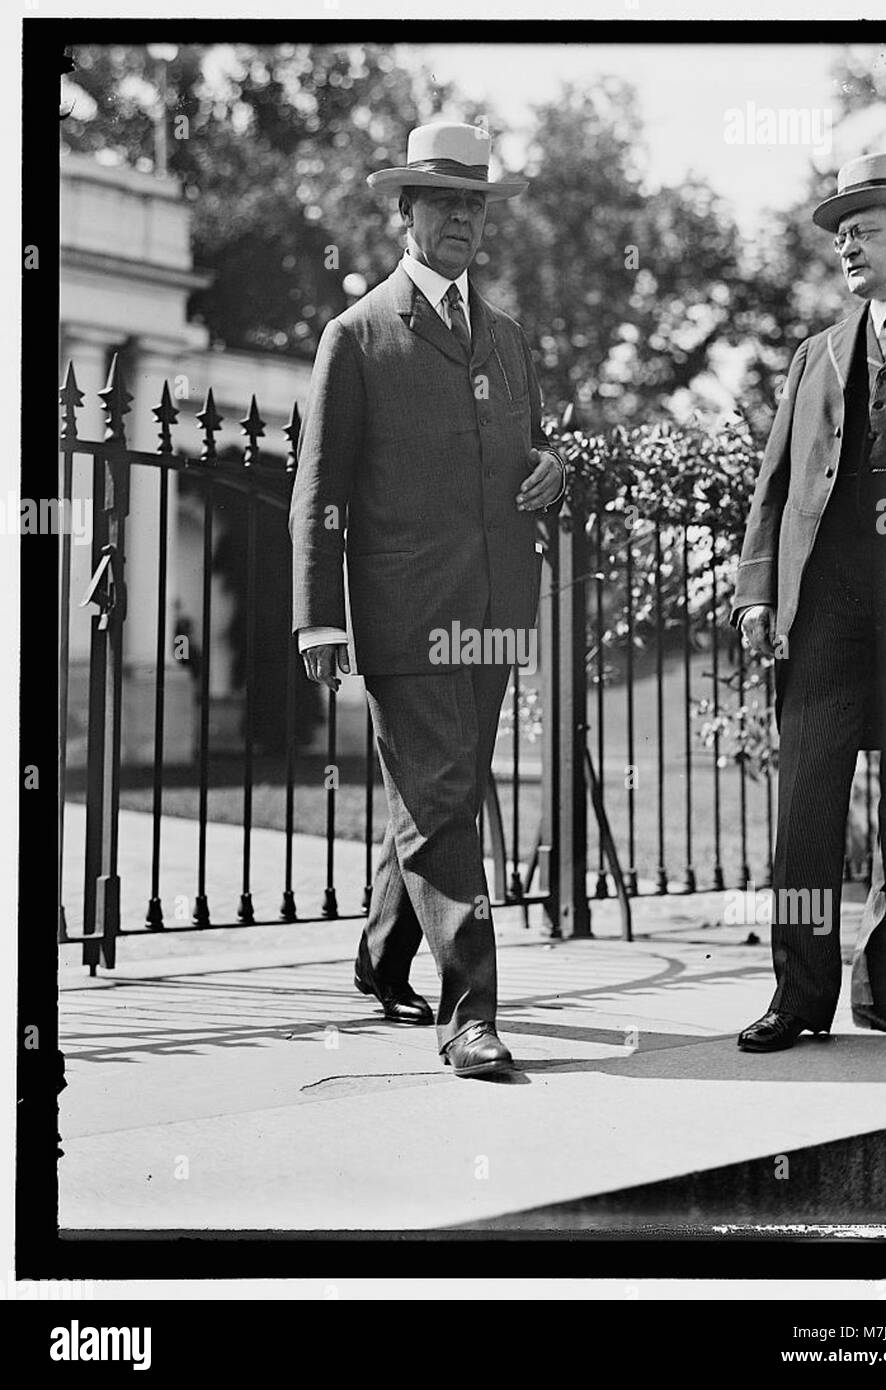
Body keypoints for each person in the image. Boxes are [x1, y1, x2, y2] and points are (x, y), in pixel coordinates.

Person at [289, 122, 566, 1078]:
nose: (461, 218)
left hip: (492, 613)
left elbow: (528, 449)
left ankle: (380, 956)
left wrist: (551, 469)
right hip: (406, 620)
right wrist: (318, 612)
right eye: (442, 200)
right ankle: (471, 1014)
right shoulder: (356, 336)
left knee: (436, 797)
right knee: (446, 803)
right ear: (403, 212)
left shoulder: (509, 338)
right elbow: (320, 492)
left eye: (474, 204)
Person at [731, 151, 886, 1052]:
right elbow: (770, 492)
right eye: (840, 230)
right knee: (806, 808)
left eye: (867, 226)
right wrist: (756, 596)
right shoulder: (816, 356)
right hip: (828, 610)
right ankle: (796, 1000)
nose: (846, 241)